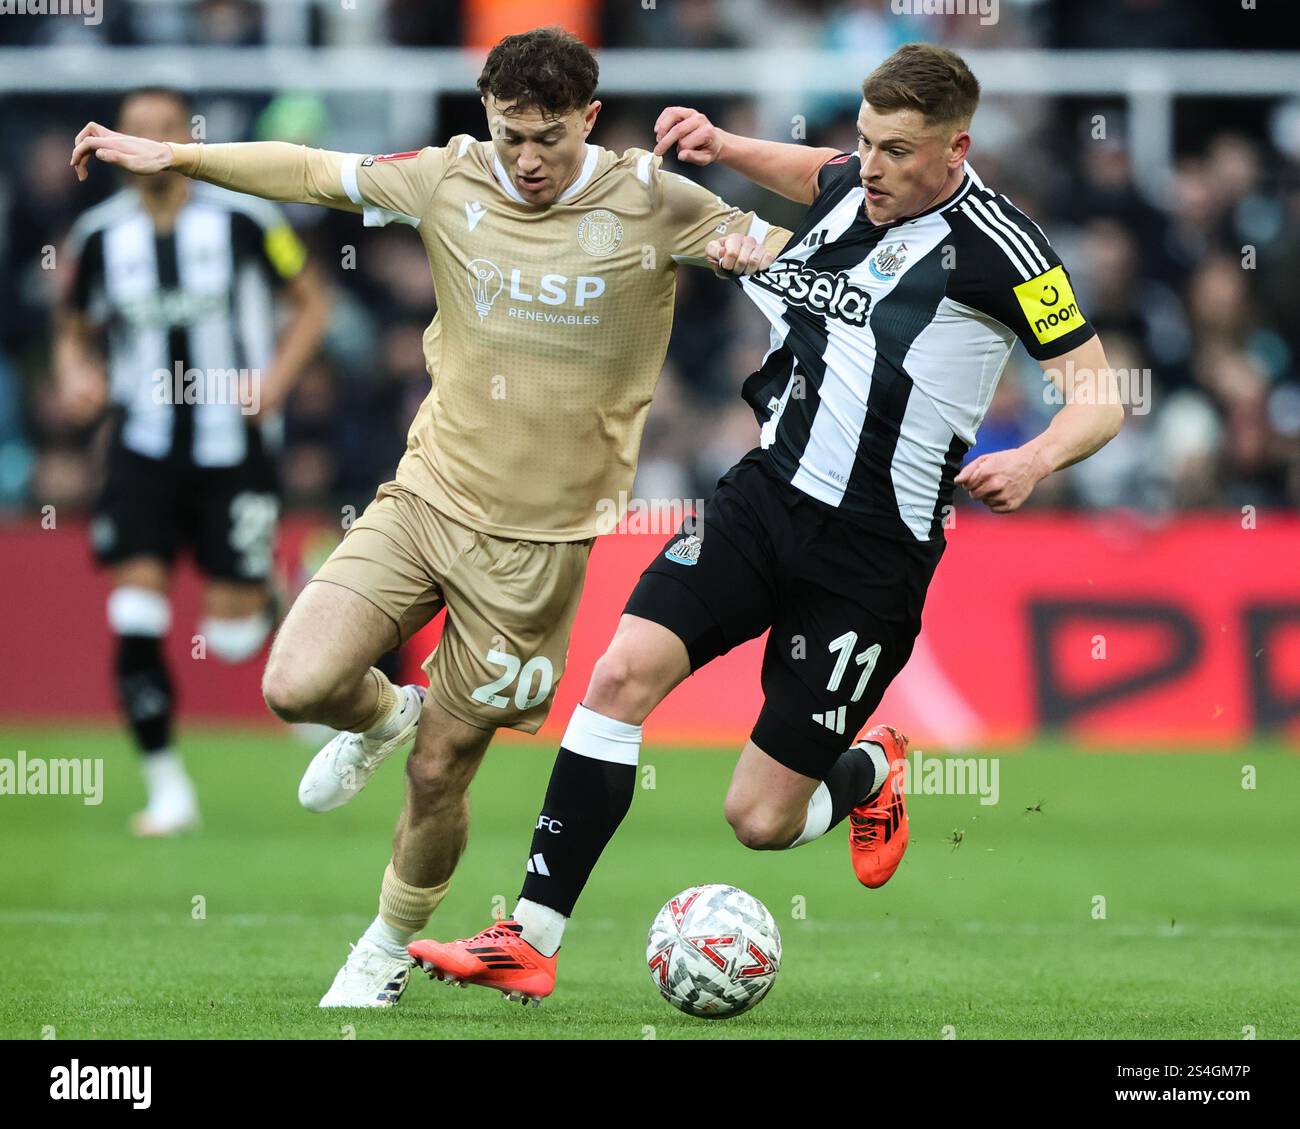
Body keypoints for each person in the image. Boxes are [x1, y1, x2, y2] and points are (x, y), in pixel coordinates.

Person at [70, 27, 788, 1006]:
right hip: (424, 498)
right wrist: (178, 154)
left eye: (546, 137)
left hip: (537, 552)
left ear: (587, 119)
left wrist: (803, 257)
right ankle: (385, 712)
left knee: (443, 769)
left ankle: (381, 946)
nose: (526, 160)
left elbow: (784, 262)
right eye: (508, 136)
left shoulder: (654, 201)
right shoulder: (448, 177)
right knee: (296, 681)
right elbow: (316, 172)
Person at [408, 43, 1126, 1005]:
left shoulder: (1009, 251)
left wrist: (1037, 457)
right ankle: (527, 938)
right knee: (619, 674)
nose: (871, 166)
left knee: (760, 819)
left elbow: (1100, 393)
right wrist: (721, 143)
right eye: (865, 141)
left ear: (957, 149)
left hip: (873, 553)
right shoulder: (853, 182)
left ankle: (867, 770)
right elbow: (813, 171)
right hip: (762, 498)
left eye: (898, 151)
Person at [57, 86, 328, 837]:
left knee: (236, 635)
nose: (147, 141)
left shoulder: (246, 218)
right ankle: (168, 787)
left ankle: (271, 601)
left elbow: (312, 301)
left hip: (231, 447)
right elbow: (72, 327)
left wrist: (275, 381)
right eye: (133, 129)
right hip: (141, 447)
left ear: (187, 136)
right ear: (113, 143)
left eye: (164, 128)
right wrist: (78, 372)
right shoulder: (98, 238)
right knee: (134, 611)